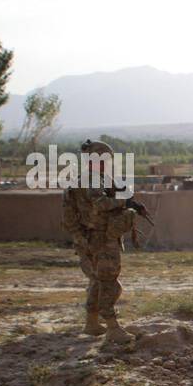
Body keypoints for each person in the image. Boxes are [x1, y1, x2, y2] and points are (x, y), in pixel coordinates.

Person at [61, 140, 135, 342]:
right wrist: (124, 200)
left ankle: (92, 323)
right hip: (101, 239)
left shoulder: (79, 180)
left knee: (97, 281)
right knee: (110, 285)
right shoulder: (92, 179)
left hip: (86, 239)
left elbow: (69, 216)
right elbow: (101, 204)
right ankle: (113, 328)